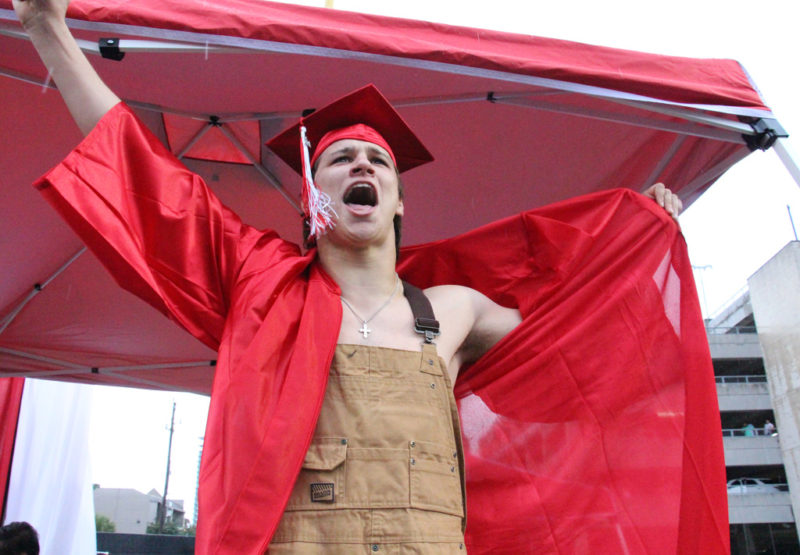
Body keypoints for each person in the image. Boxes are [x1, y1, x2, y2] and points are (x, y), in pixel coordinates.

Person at [13, 1, 685, 553]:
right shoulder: (258, 284)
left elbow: (583, 357)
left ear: (399, 201)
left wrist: (638, 240)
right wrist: (50, 32)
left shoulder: (456, 310)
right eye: (340, 159)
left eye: (377, 161)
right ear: (313, 197)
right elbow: (146, 177)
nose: (362, 167)